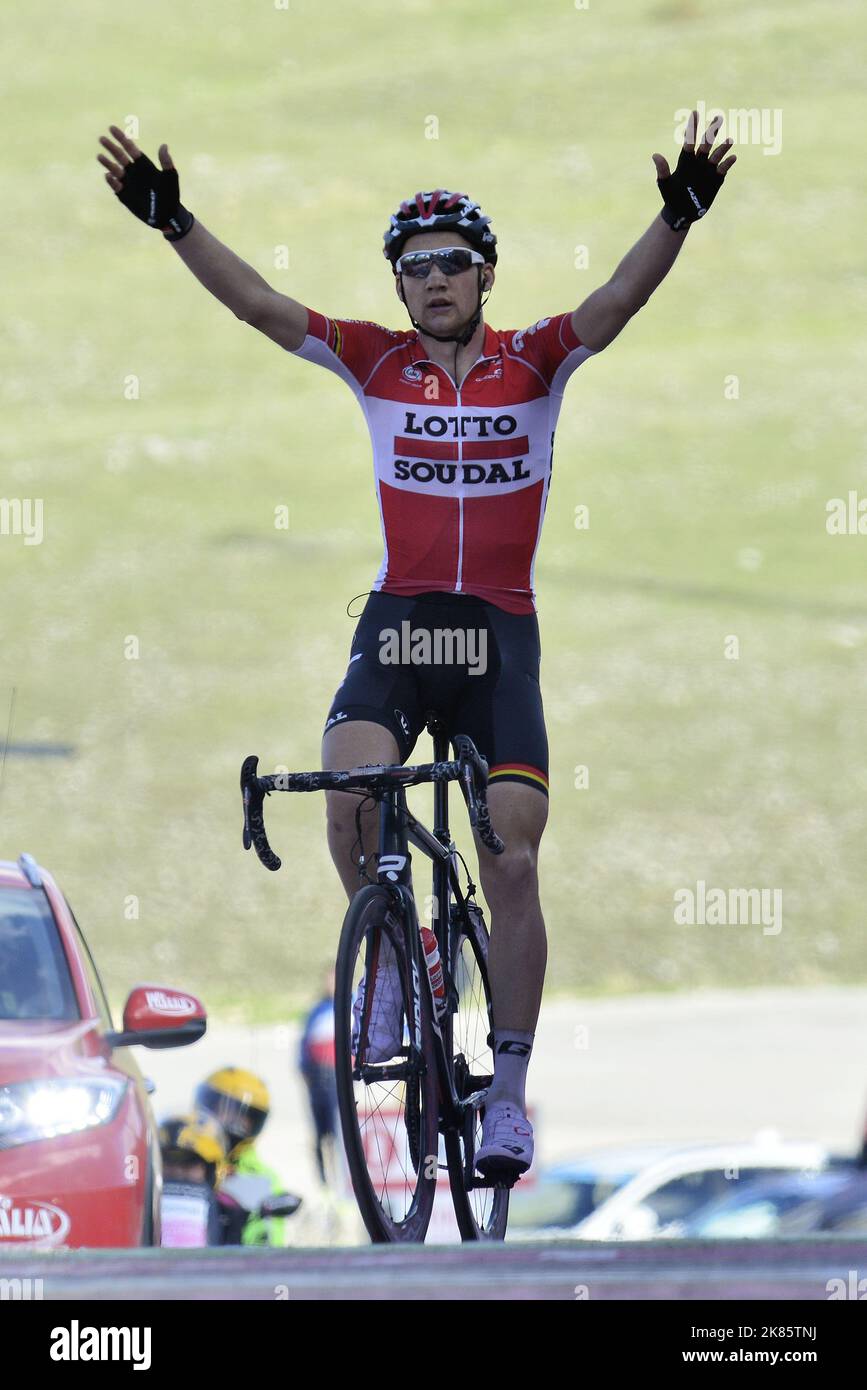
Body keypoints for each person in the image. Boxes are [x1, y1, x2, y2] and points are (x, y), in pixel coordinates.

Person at [98, 113, 736, 1179]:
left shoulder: (534, 363)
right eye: (412, 268)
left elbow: (614, 305)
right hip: (400, 620)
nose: (432, 280)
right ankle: (397, 948)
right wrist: (175, 223)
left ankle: (511, 1099)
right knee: (348, 797)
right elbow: (263, 308)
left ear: (484, 275)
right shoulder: (374, 359)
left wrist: (676, 216)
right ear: (397, 287)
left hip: (495, 632)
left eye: (451, 264)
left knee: (515, 854)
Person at [194, 1067, 288, 1245]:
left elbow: (268, 1243)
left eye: (239, 1116)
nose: (224, 1119)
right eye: (219, 1108)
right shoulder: (180, 1155)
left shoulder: (262, 1178)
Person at [158, 1111, 228, 1247]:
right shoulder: (134, 1208)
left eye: (189, 1163)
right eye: (169, 1161)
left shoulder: (232, 1214)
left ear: (211, 1171)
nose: (177, 1172)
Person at [298, 970, 339, 1186]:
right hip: (318, 1078)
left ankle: (344, 1179)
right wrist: (304, 1070)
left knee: (341, 1131)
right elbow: (303, 1045)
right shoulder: (316, 1011)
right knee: (321, 1133)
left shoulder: (352, 1005)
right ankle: (325, 1182)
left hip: (341, 1079)